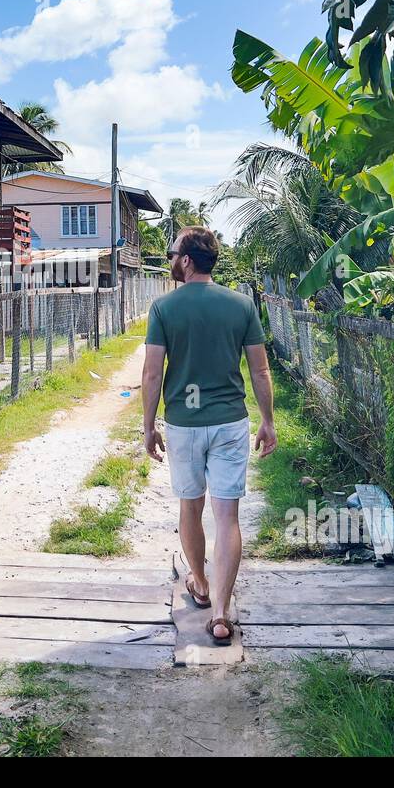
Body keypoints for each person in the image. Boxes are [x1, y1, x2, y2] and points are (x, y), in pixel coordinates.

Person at [141, 226, 277, 644]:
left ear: (186, 259)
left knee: (190, 506)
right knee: (227, 515)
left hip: (184, 424)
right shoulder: (241, 305)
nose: (169, 260)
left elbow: (151, 372)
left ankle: (199, 582)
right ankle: (220, 612)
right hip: (230, 422)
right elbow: (260, 369)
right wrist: (268, 420)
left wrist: (148, 426)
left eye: (172, 253)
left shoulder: (164, 308)